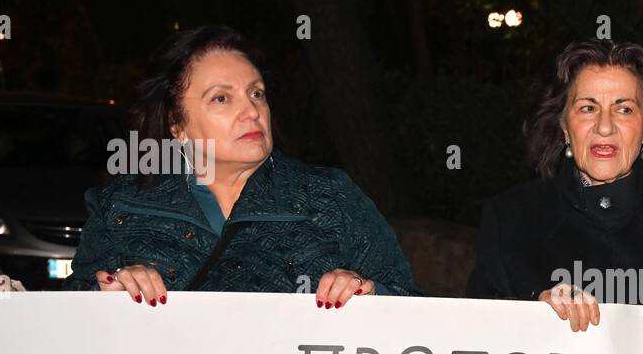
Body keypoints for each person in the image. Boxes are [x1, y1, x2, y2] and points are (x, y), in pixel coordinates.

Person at [66, 25, 419, 307]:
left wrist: (370, 295)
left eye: (256, 93)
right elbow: (67, 318)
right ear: (177, 124)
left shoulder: (329, 196)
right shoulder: (121, 206)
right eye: (222, 98)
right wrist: (108, 299)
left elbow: (414, 306)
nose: (251, 111)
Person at [467, 39, 643, 331]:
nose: (604, 126)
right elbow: (479, 337)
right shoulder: (510, 218)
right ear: (564, 127)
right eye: (587, 108)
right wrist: (535, 313)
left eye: (624, 109)